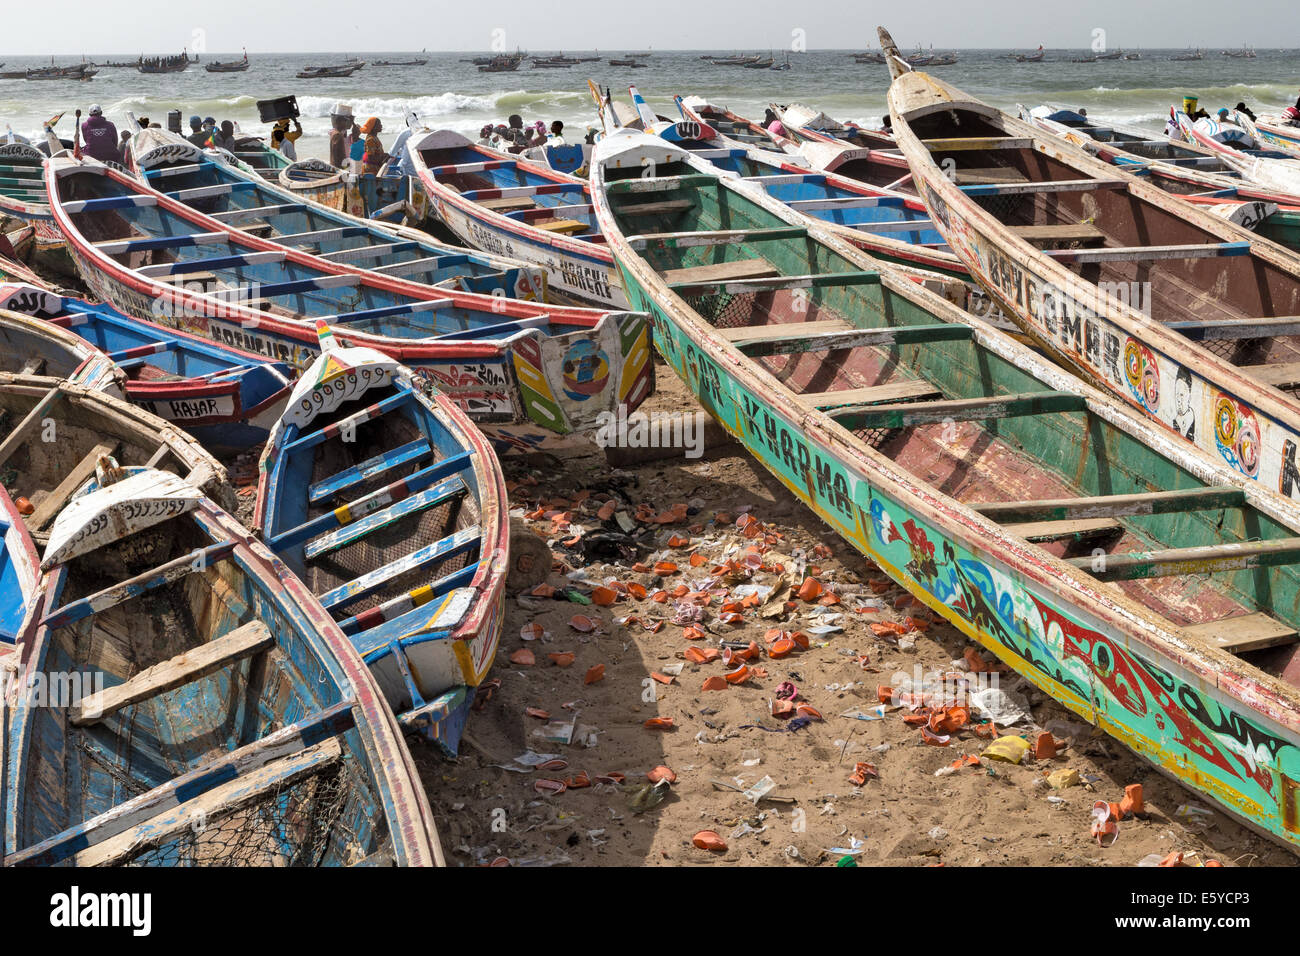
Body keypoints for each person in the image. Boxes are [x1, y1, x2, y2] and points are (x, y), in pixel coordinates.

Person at [386, 111, 420, 176]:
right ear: (417, 120)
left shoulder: (405, 133)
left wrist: (385, 164)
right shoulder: (423, 131)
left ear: (407, 123)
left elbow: (392, 151)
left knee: (398, 158)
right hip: (421, 168)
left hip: (408, 170)